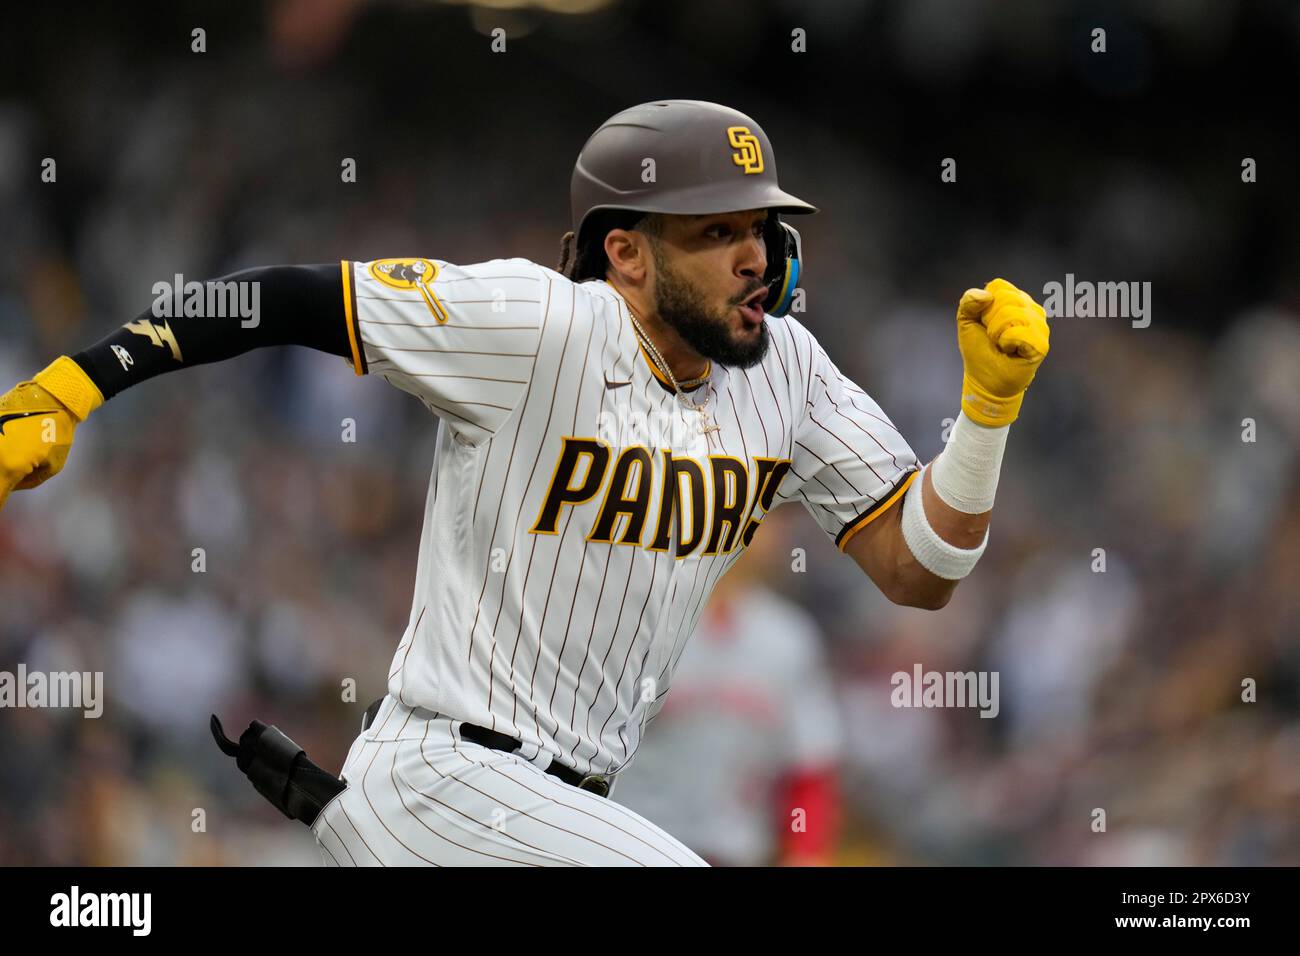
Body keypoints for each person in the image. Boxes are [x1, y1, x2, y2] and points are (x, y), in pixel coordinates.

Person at [0, 99, 1049, 866]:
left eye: (761, 229)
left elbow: (922, 570)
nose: (754, 256)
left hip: (554, 814)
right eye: (714, 230)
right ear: (625, 254)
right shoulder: (538, 322)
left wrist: (986, 415)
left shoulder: (789, 370)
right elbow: (282, 299)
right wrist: (77, 381)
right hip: (450, 775)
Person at [612, 507, 844, 867]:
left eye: (781, 518)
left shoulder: (789, 638)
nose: (777, 531)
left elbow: (808, 769)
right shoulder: (632, 620)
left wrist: (805, 852)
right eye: (769, 513)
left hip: (733, 853)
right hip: (626, 848)